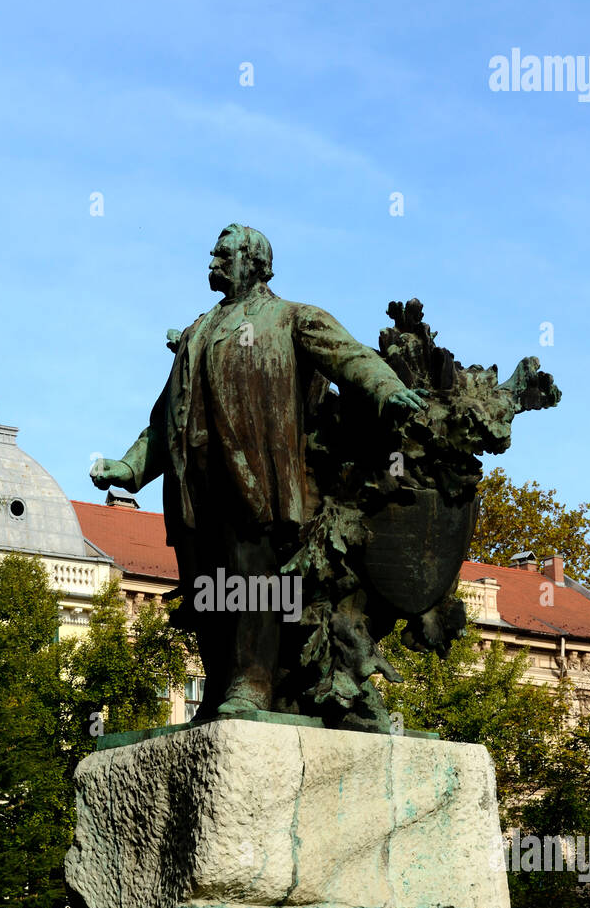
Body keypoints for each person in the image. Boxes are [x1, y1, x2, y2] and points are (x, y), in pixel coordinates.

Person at [91, 223, 424, 719]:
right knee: (208, 591)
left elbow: (350, 356)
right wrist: (132, 465)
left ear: (256, 262)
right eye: (213, 255)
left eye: (223, 255)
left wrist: (386, 390)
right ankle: (221, 687)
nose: (213, 262)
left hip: (255, 480)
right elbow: (166, 416)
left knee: (255, 584)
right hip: (193, 489)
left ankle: (253, 685)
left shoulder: (290, 318)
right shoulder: (195, 332)